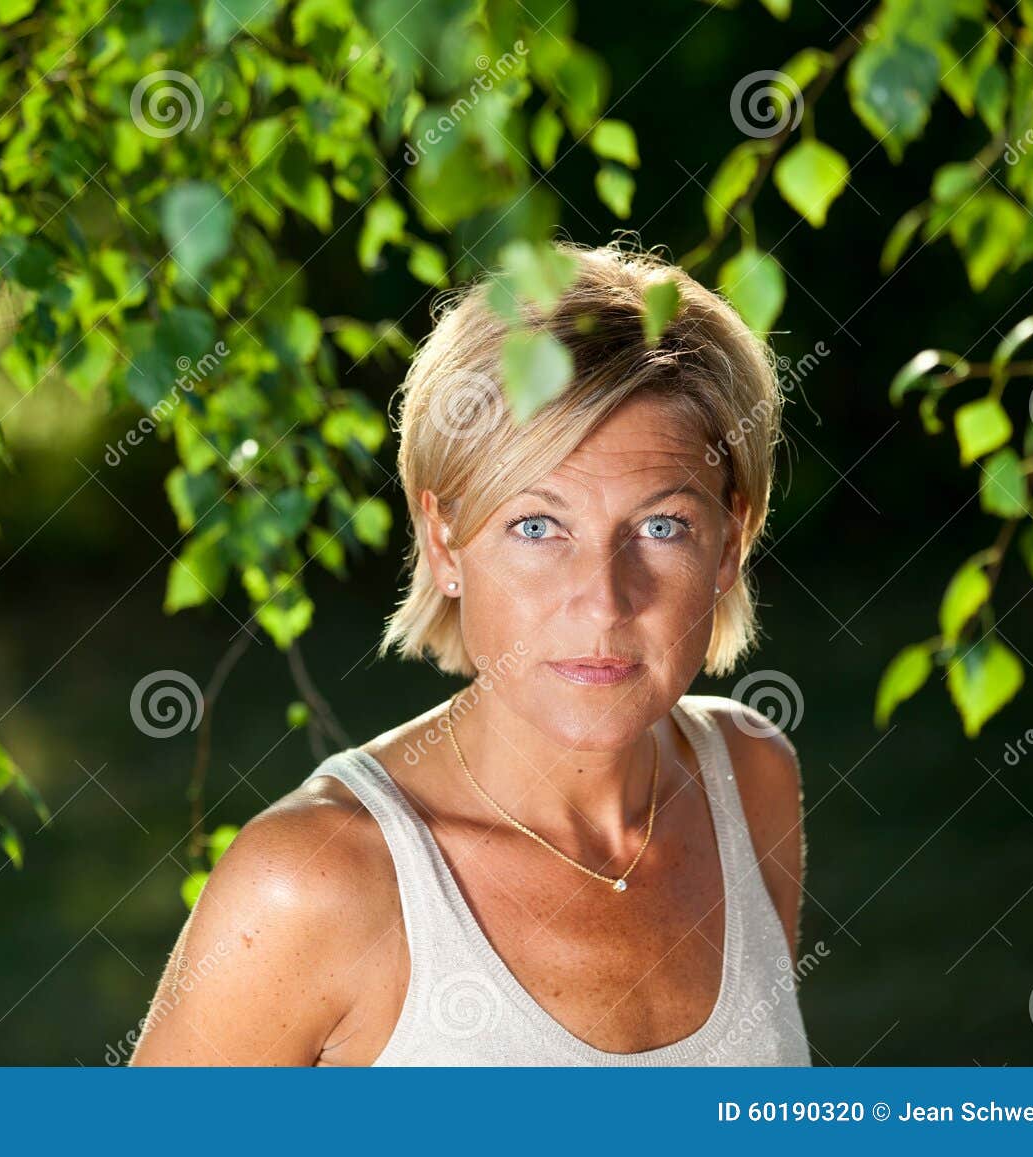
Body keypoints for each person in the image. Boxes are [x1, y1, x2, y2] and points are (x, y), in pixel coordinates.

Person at [130, 241, 810, 1066]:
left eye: (660, 526)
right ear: (443, 540)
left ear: (731, 540)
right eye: (536, 526)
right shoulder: (311, 885)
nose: (603, 600)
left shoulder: (751, 776)